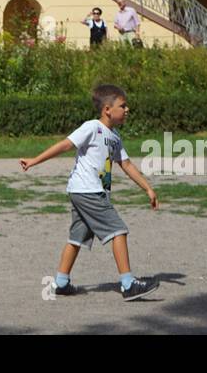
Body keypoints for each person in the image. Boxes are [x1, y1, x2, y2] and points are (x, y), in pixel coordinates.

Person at [19, 84, 159, 301]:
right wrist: (34, 161)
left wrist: (147, 188)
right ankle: (128, 284)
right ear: (107, 110)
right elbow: (66, 145)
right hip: (89, 191)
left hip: (82, 191)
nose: (127, 109)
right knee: (118, 230)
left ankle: (61, 283)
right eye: (123, 105)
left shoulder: (114, 136)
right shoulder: (92, 127)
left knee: (77, 237)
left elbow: (127, 164)